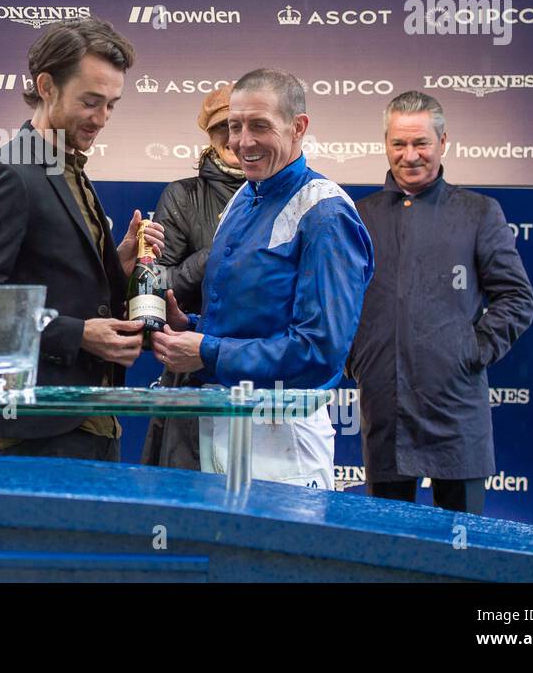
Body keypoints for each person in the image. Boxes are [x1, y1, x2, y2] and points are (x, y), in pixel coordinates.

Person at [0, 17, 165, 461]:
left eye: (112, 105)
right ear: (46, 86)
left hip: (90, 412)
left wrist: (116, 266)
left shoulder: (65, 167)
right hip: (40, 419)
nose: (102, 118)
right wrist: (78, 335)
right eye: (91, 101)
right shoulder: (10, 172)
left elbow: (63, 278)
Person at [152, 68, 373, 489]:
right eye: (235, 127)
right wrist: (192, 330)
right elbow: (253, 324)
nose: (243, 142)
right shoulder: (243, 197)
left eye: (260, 126)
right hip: (223, 427)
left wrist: (209, 352)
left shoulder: (325, 213)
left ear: (298, 127)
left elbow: (319, 351)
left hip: (284, 444)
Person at [347, 91, 533, 515]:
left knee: (463, 548)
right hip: (384, 404)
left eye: (421, 143)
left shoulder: (478, 212)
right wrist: (355, 357)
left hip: (456, 409)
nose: (410, 155)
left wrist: (470, 350)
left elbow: (517, 297)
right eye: (399, 143)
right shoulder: (361, 216)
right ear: (385, 144)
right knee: (390, 544)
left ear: (443, 142)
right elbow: (339, 298)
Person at [141, 83, 246, 470]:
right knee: (188, 507)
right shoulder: (182, 196)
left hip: (264, 372)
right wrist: (215, 254)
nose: (236, 139)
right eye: (225, 128)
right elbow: (155, 287)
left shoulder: (287, 197)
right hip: (193, 373)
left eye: (244, 126)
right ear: (209, 134)